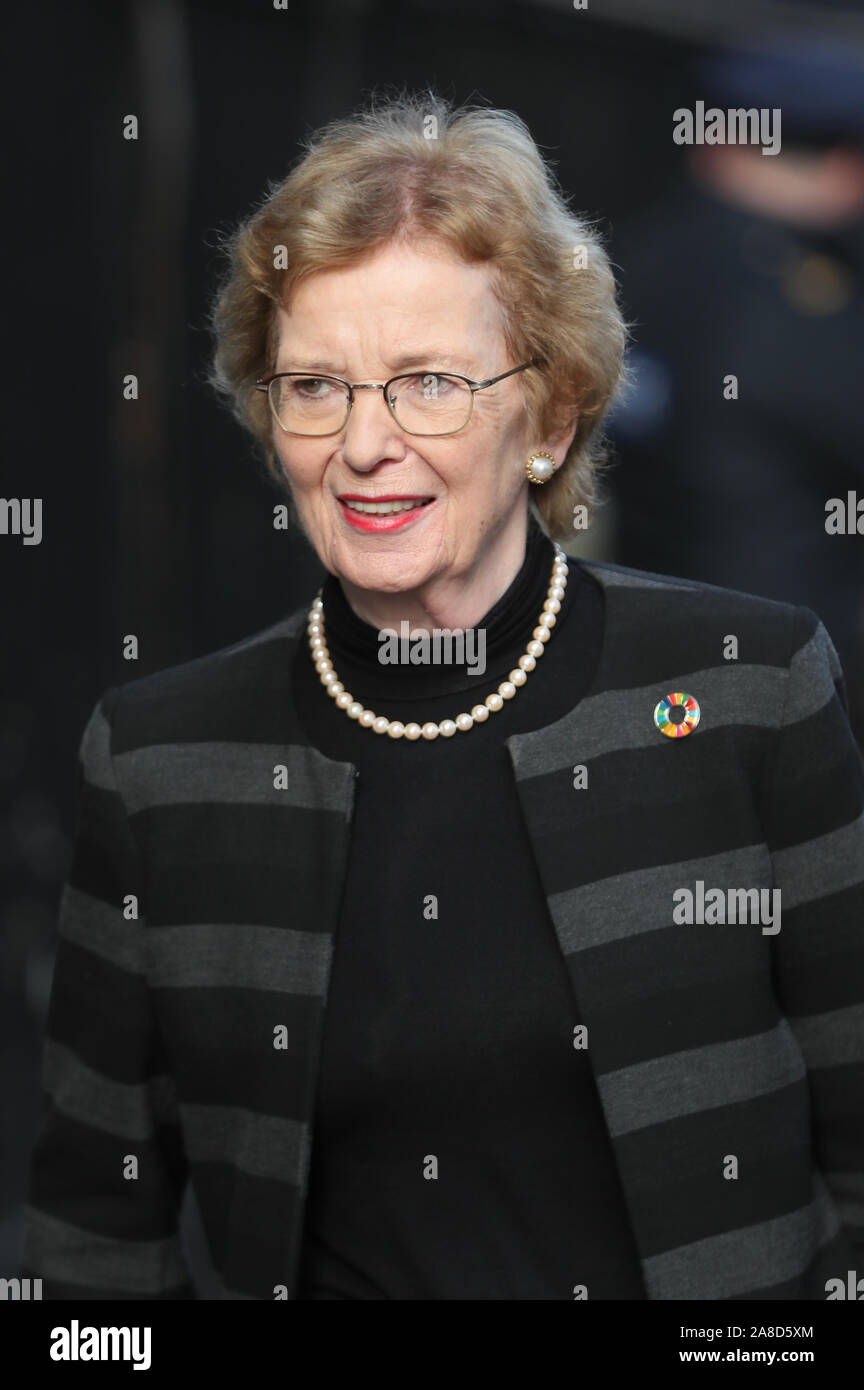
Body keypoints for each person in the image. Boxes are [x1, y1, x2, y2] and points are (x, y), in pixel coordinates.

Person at [19, 92, 864, 1301]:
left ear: (550, 411)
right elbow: (90, 1245)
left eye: (427, 383)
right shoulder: (162, 760)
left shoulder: (746, 687)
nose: (365, 444)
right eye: (315, 386)